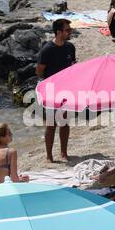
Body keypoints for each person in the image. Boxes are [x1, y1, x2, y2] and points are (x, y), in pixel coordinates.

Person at [36, 19, 77, 162]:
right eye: (67, 30)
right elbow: (40, 71)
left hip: (67, 90)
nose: (70, 32)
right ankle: (49, 156)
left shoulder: (70, 47)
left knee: (64, 122)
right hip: (51, 90)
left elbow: (73, 66)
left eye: (70, 30)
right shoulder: (47, 50)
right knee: (51, 124)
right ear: (58, 32)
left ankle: (64, 153)